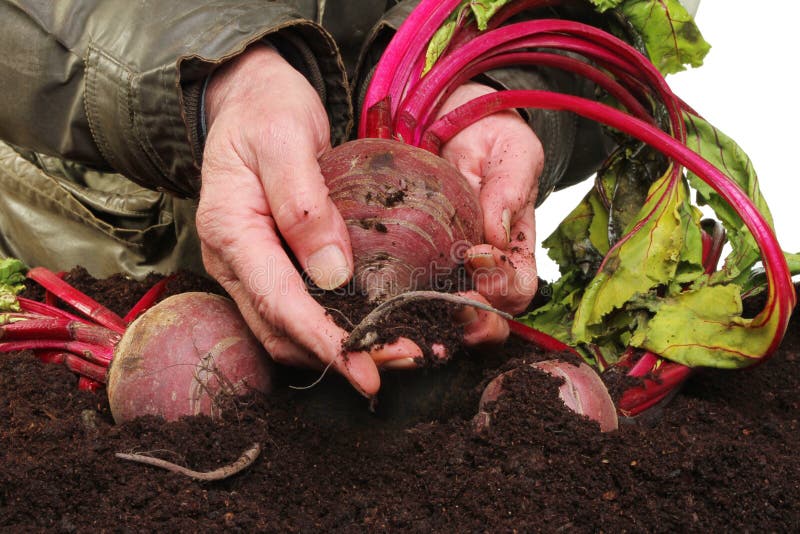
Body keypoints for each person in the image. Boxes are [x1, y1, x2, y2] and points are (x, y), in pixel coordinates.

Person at [0, 1, 611, 396]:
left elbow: (596, 24)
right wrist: (213, 83)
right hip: (123, 215)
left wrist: (502, 88)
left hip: (439, 209)